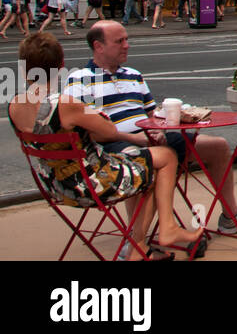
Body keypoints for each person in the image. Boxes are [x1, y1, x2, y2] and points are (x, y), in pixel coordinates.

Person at [64, 21, 237, 235]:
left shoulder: (134, 75)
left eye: (127, 39)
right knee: (141, 161)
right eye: (119, 41)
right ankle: (137, 238)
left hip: (149, 138)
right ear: (98, 46)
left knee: (218, 146)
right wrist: (139, 139)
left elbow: (153, 114)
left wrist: (161, 128)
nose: (126, 45)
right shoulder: (80, 80)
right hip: (113, 145)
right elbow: (92, 131)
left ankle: (231, 215)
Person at [11, 32, 203, 260]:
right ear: (61, 65)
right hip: (92, 184)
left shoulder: (15, 105)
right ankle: (162, 232)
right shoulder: (65, 104)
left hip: (56, 186)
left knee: (150, 168)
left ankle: (140, 247)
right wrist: (95, 115)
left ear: (24, 67)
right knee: (167, 157)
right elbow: (109, 132)